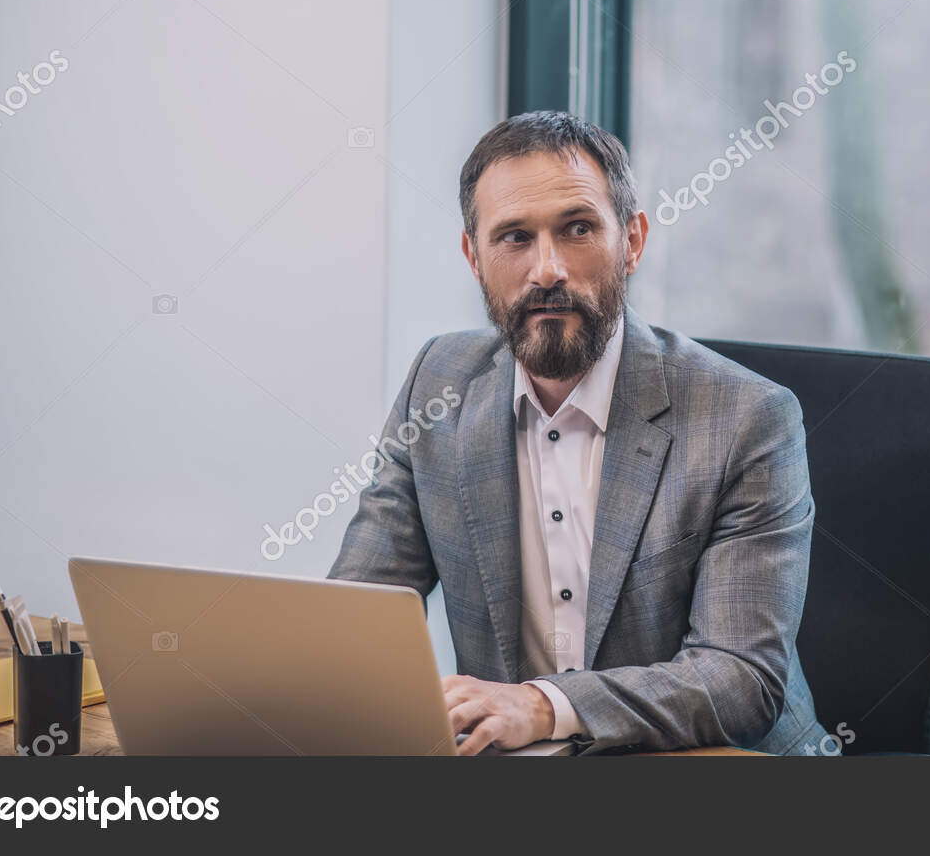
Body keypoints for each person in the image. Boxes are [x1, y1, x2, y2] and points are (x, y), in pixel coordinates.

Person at [328, 110, 826, 755]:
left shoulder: (747, 417)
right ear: (473, 256)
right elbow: (358, 612)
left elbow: (741, 679)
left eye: (578, 229)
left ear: (634, 242)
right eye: (513, 237)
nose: (547, 270)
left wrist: (542, 704)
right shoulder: (439, 383)